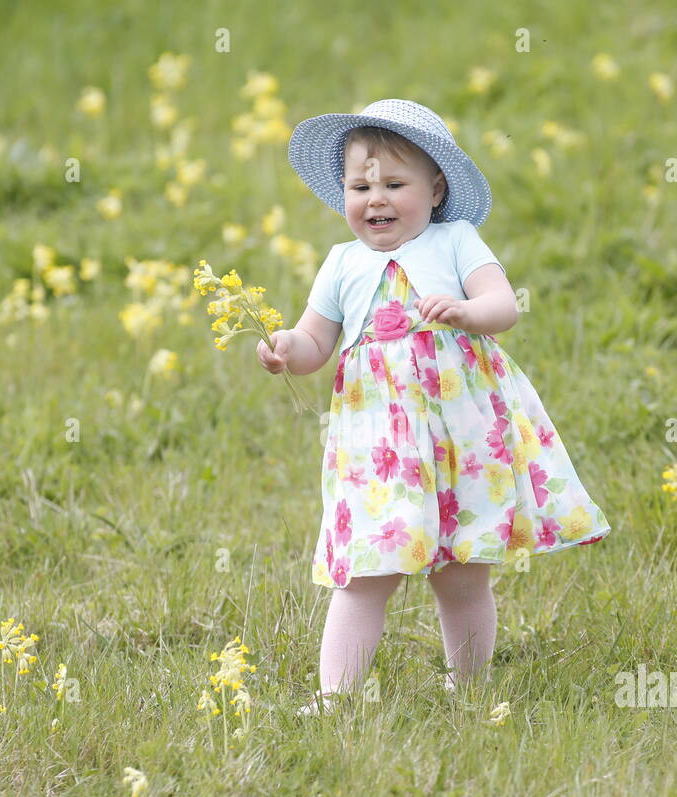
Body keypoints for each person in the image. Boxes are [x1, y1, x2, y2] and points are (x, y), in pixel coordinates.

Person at [260, 99, 611, 715]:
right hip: (381, 442)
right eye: (360, 185)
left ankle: (468, 689)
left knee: (463, 567)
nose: (377, 199)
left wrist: (467, 312)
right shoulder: (342, 263)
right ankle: (336, 697)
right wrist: (287, 349)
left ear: (435, 187)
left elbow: (504, 305)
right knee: (367, 567)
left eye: (395, 184)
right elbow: (317, 341)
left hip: (462, 437)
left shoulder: (455, 240)